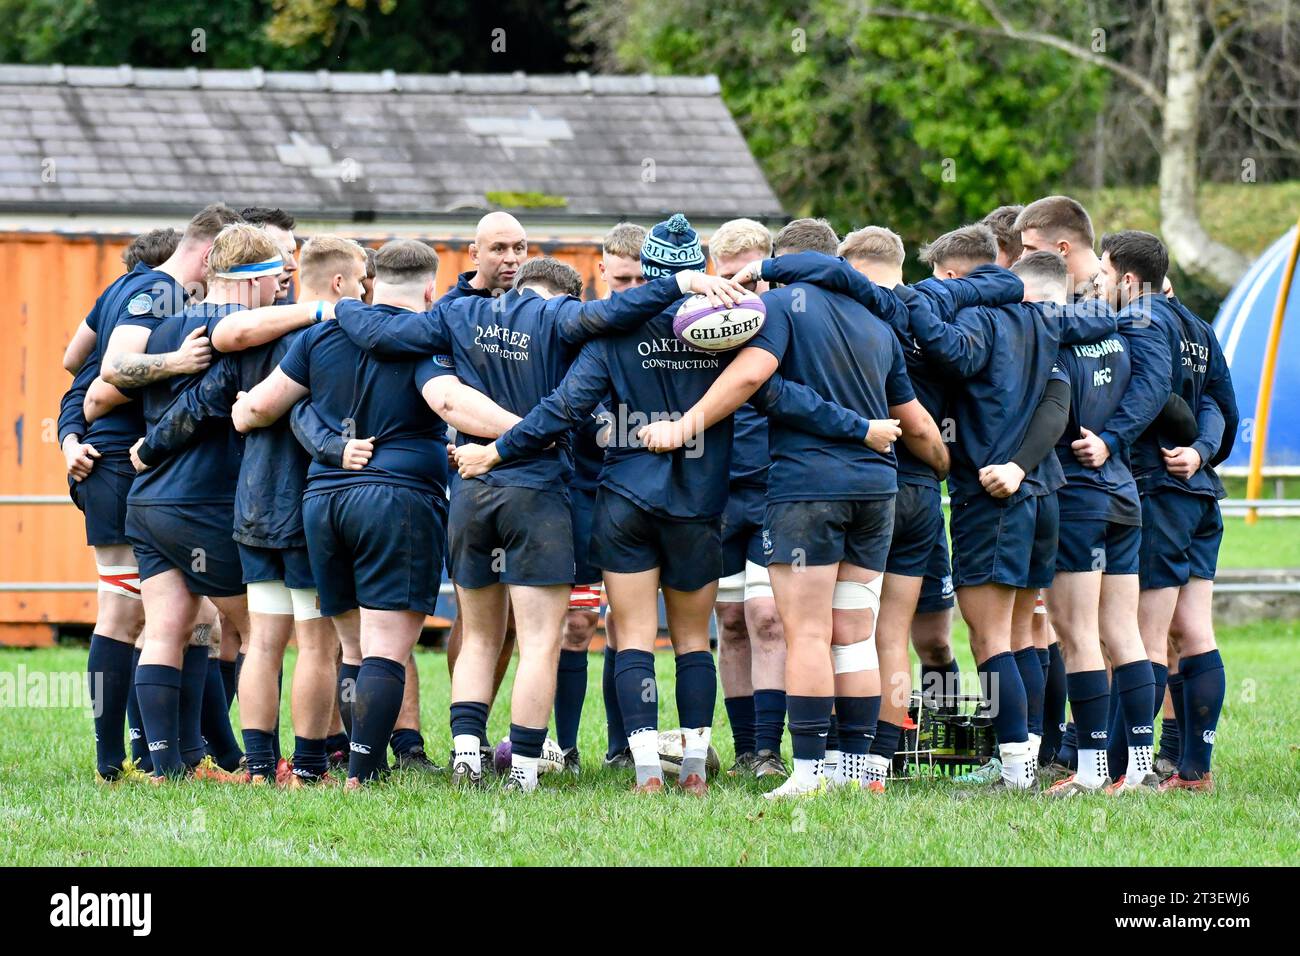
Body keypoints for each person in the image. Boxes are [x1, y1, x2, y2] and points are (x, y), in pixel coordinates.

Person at [336, 232, 748, 792]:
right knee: (641, 640)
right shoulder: (581, 324)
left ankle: (474, 758)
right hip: (629, 498)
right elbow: (572, 409)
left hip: (498, 493)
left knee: (492, 634)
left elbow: (379, 330)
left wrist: (334, 303)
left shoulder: (458, 316)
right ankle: (567, 769)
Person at [639, 218, 949, 798]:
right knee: (854, 634)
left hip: (807, 489)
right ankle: (856, 773)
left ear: (787, 262)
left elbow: (751, 376)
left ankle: (806, 774)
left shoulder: (779, 307)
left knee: (806, 632)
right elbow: (912, 419)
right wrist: (941, 464)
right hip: (876, 492)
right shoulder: (878, 323)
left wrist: (686, 425)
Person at [131, 235, 367, 786]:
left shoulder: (254, 339)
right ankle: (310, 766)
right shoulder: (334, 335)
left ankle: (260, 767)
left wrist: (151, 446)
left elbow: (204, 402)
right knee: (315, 641)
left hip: (254, 508)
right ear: (336, 283)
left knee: (262, 640)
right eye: (358, 280)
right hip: (309, 508)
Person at [231, 239, 459, 788]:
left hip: (321, 504)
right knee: (387, 647)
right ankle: (361, 772)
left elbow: (260, 407)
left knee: (352, 647)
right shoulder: (430, 337)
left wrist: (242, 408)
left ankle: (349, 763)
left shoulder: (319, 336)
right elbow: (449, 402)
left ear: (373, 281)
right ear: (430, 289)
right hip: (396, 499)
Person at [56, 203, 240, 780]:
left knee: (186, 615)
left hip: (114, 461)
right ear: (210, 256)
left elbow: (71, 360)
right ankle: (119, 760)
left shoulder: (123, 287)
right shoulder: (159, 292)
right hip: (118, 464)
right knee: (125, 614)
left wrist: (69, 433)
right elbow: (107, 378)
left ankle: (178, 754)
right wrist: (176, 361)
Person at [557, 222, 648, 774]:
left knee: (629, 624)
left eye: (642, 278)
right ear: (600, 271)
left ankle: (623, 748)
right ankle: (564, 747)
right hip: (583, 494)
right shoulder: (580, 327)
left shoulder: (670, 326)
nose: (631, 288)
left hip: (643, 497)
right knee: (578, 622)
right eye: (621, 279)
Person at [707, 218, 789, 780]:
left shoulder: (785, 323)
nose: (742, 288)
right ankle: (742, 751)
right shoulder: (696, 327)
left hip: (772, 489)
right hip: (714, 495)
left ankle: (768, 748)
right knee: (730, 621)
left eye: (751, 276)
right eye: (729, 276)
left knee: (767, 618)